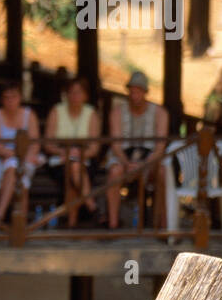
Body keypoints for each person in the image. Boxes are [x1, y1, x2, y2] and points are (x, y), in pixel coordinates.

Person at [104, 71, 168, 229]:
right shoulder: (117, 112)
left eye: (138, 91)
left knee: (163, 172)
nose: (134, 95)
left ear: (145, 92)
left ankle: (161, 223)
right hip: (124, 159)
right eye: (132, 91)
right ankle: (113, 223)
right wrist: (127, 164)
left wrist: (144, 165)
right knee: (114, 172)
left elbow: (160, 147)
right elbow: (116, 145)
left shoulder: (160, 113)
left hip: (150, 160)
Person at [43, 77, 101, 227]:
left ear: (85, 96)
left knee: (74, 170)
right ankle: (92, 207)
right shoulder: (56, 111)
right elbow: (48, 144)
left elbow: (94, 149)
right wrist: (64, 153)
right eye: (72, 93)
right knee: (73, 170)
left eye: (79, 93)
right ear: (66, 94)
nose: (75, 96)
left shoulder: (92, 114)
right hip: (59, 159)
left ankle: (72, 222)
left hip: (85, 159)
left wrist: (78, 155)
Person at [0, 82, 42, 225]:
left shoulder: (29, 115)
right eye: (6, 97)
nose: (10, 101)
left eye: (14, 97)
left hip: (26, 158)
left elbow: (35, 144)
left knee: (15, 168)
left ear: (20, 98)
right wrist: (15, 156)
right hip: (0, 160)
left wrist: (22, 157)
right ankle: (19, 225)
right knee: (18, 174)